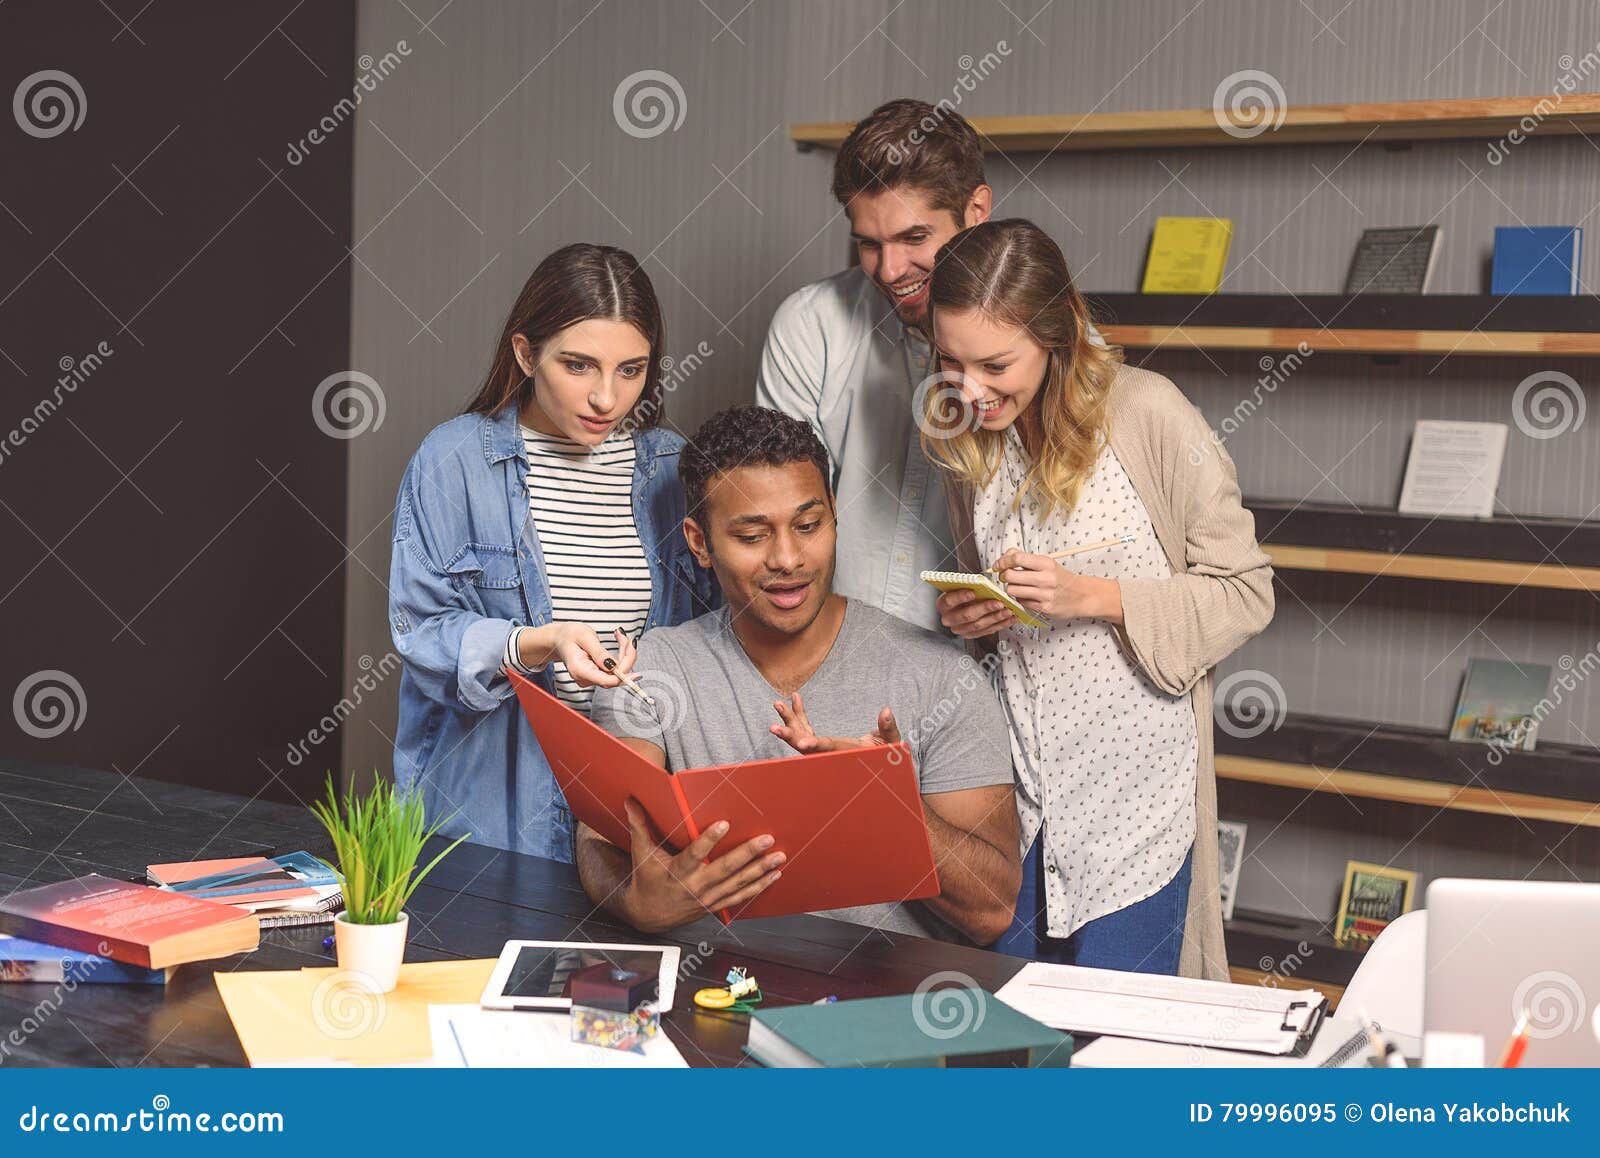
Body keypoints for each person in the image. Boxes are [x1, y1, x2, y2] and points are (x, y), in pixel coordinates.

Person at [926, 219, 1275, 979]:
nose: (969, 389)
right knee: (1005, 1051)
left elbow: (1247, 592)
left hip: (1134, 816)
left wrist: (1094, 597)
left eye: (995, 364)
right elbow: (1001, 630)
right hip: (1016, 810)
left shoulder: (1148, 414)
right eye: (950, 362)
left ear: (1055, 336)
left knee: (1121, 1056)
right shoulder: (975, 444)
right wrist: (975, 620)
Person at [576, 405, 1021, 944]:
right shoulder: (652, 670)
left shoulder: (943, 677)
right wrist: (634, 904)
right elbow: (601, 837)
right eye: (751, 536)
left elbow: (991, 912)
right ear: (699, 543)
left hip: (883, 1006)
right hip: (710, 1001)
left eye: (808, 526)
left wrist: (884, 805)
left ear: (834, 515)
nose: (788, 558)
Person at [387, 243, 717, 862]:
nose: (605, 399)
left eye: (631, 370)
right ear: (525, 352)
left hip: (630, 806)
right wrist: (540, 642)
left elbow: (711, 637)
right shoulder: (453, 460)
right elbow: (423, 631)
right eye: (578, 365)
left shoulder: (675, 466)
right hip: (487, 807)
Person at [755, 99, 992, 632]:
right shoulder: (808, 325)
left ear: (976, 211)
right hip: (831, 655)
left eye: (914, 238)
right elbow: (780, 515)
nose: (888, 270)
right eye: (868, 243)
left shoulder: (1048, 339)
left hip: (992, 674)